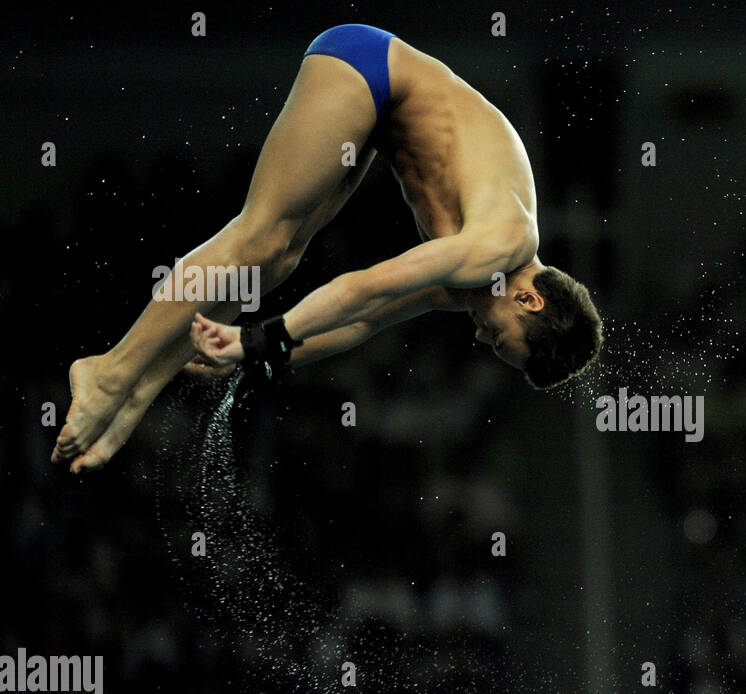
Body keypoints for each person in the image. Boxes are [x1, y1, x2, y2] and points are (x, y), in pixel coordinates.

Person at [51, 23, 603, 473]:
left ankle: (137, 393)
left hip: (378, 117)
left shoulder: (475, 282)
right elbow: (360, 288)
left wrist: (260, 356)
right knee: (260, 236)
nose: (480, 336)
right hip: (365, 66)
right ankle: (111, 372)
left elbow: (362, 322)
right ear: (530, 301)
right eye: (498, 337)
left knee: (278, 261)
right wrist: (261, 337)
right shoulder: (498, 244)